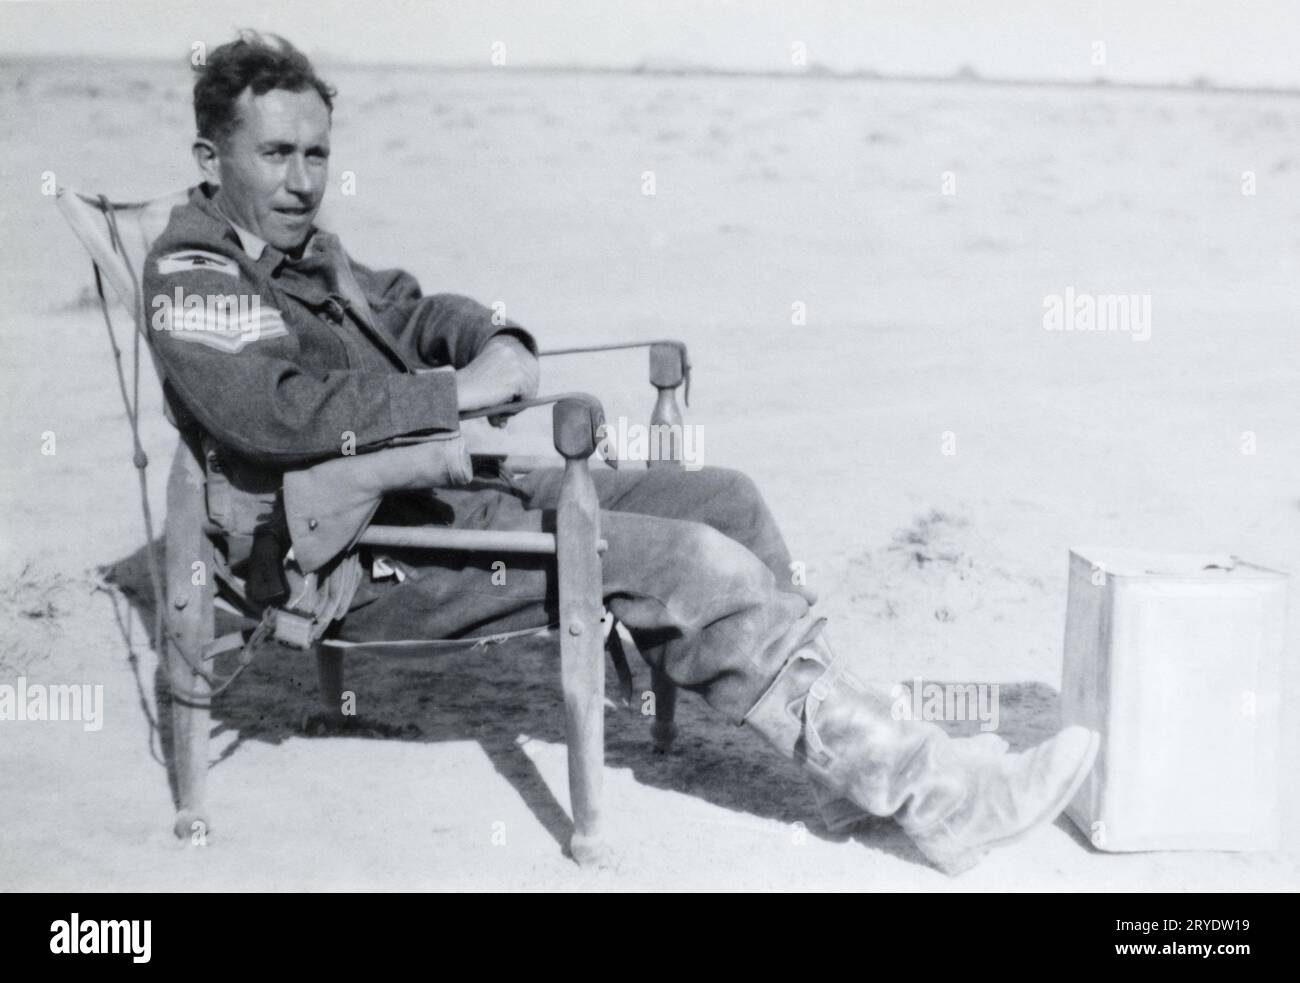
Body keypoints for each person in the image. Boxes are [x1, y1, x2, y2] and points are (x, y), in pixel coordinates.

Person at [143, 30, 1099, 876]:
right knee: (687, 560)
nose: (302, 179)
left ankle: (854, 768)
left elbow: (409, 304)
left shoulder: (309, 254)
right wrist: (455, 392)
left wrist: (493, 335)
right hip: (351, 555)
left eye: (315, 153)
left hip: (424, 501)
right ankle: (935, 793)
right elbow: (277, 414)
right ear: (210, 157)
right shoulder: (198, 275)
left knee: (723, 497)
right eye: (274, 155)